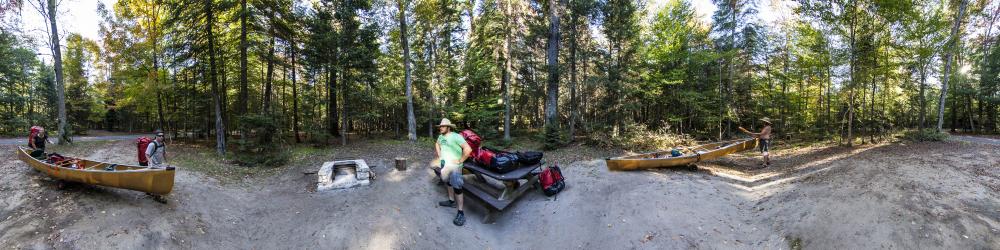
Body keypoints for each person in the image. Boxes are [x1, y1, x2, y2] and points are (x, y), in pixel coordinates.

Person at [434, 118, 473, 226]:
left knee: (457, 187)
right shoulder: (441, 137)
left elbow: (468, 149)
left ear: (448, 127)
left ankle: (461, 212)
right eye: (440, 127)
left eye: (442, 126)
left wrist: (460, 160)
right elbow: (437, 144)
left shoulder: (456, 136)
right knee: (448, 182)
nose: (440, 128)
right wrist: (440, 155)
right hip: (444, 165)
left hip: (455, 167)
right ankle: (451, 201)